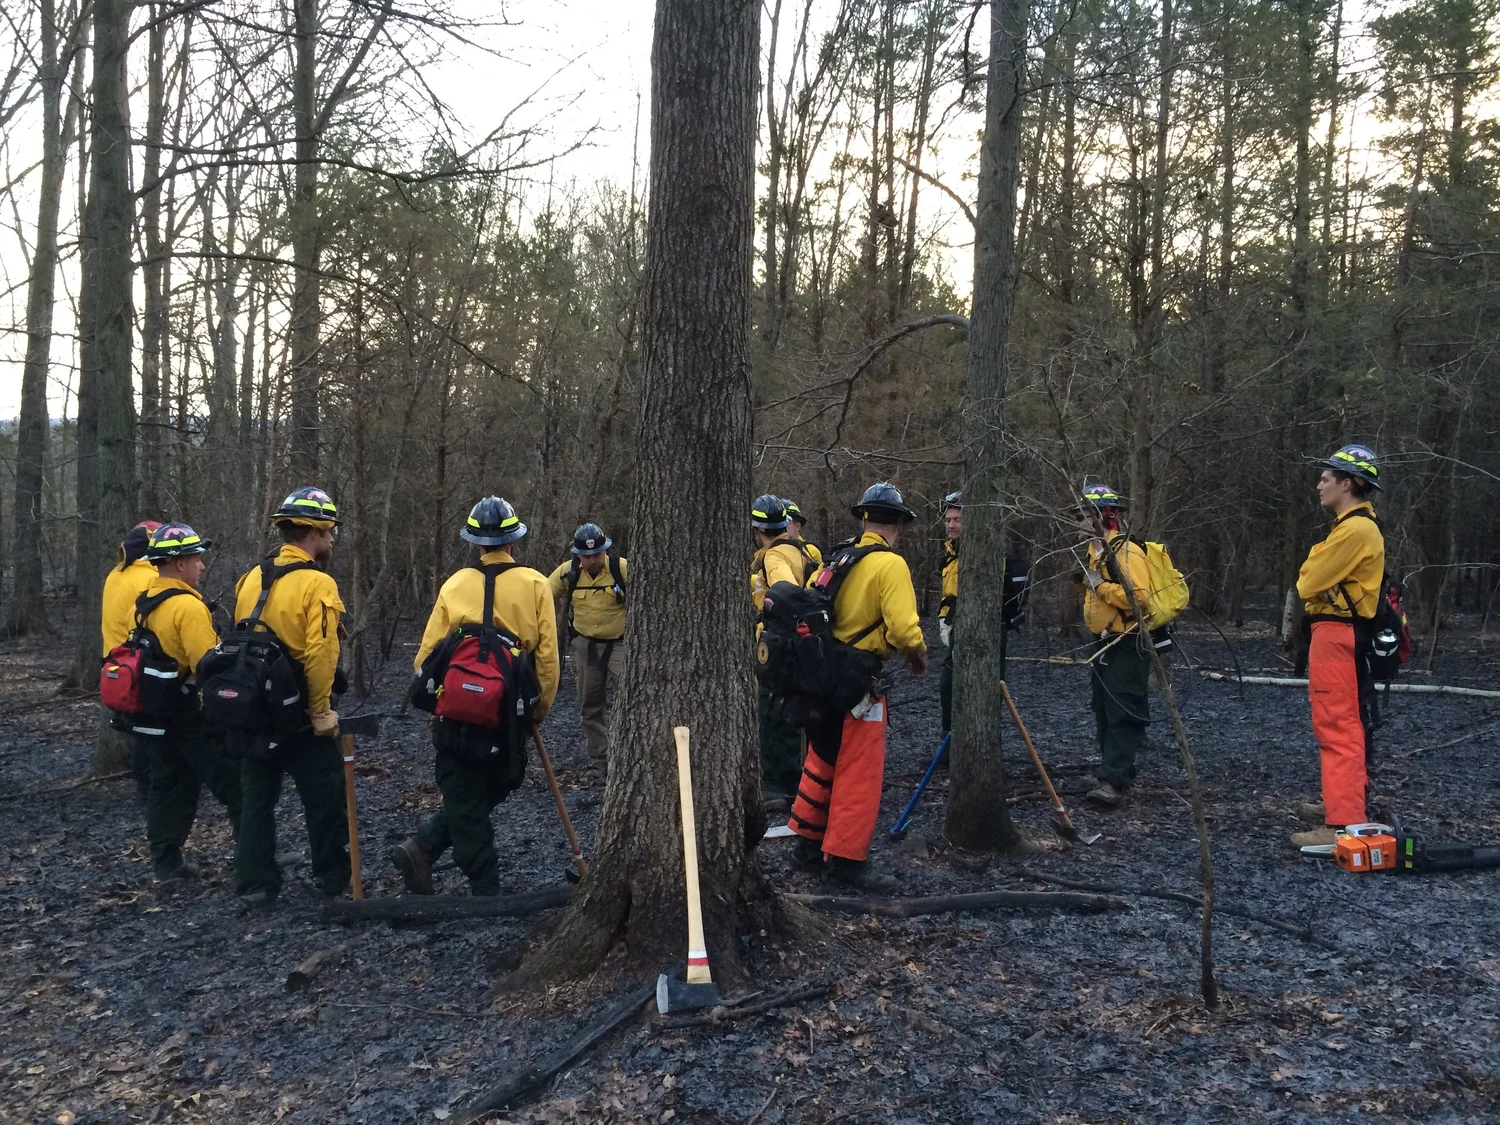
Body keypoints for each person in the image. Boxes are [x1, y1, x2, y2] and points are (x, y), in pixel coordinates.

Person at [390, 497, 560, 896]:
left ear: (476, 543)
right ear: (513, 541)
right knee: (501, 778)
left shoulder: (454, 584)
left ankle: (423, 848)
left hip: (456, 711)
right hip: (507, 709)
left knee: (464, 787)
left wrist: (440, 701)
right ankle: (485, 886)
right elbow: (548, 659)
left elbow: (427, 655)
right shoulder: (536, 583)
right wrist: (537, 711)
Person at [788, 482, 927, 891]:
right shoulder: (890, 565)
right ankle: (846, 863)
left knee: (822, 758)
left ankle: (807, 847)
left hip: (822, 674)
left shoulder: (836, 559)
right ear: (898, 524)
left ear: (863, 519)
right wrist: (917, 657)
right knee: (858, 771)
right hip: (860, 680)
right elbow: (904, 630)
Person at [232, 487, 350, 908]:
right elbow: (320, 654)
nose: (332, 538)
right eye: (329, 530)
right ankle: (333, 878)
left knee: (256, 799)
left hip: (252, 707)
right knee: (325, 794)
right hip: (296, 709)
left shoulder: (250, 578)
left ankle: (255, 883)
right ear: (313, 531)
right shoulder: (318, 583)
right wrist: (320, 710)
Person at [1290, 445, 1387, 849]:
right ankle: (1342, 802)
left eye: (1326, 479)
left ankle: (1343, 822)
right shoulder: (1350, 528)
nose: (1319, 485)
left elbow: (1307, 582)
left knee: (1337, 724)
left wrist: (1316, 562)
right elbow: (1314, 578)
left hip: (1338, 633)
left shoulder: (1354, 530)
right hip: (1334, 631)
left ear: (1348, 483)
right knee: (1340, 720)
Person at [134, 523, 242, 880]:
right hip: (194, 714)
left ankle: (166, 863)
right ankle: (253, 855)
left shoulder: (147, 603)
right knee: (236, 782)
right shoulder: (187, 607)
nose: (202, 565)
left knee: (168, 785)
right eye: (197, 558)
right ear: (179, 563)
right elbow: (207, 665)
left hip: (159, 710)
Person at [1074, 484, 1153, 809]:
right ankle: (1116, 769)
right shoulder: (1094, 551)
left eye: (1083, 515)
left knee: (1122, 708)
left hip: (1128, 642)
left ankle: (1114, 780)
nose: (1078, 522)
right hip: (1105, 642)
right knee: (1103, 707)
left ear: (1102, 516)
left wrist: (1101, 587)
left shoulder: (1127, 551)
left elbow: (1141, 598)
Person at [547, 523, 628, 764]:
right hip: (585, 646)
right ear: (578, 554)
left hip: (620, 644)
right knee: (590, 704)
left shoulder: (621, 569)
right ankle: (600, 758)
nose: (592, 560)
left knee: (631, 698)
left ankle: (629, 754)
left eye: (597, 555)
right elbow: (541, 596)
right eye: (586, 556)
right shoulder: (567, 572)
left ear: (605, 551)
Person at [750, 495, 813, 799]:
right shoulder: (800, 550)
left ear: (758, 529)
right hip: (799, 640)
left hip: (780, 643)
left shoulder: (773, 557)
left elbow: (785, 594)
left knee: (773, 711)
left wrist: (775, 625)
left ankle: (781, 786)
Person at [101, 519, 164, 797]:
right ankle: (153, 792)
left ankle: (147, 788)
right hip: (140, 664)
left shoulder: (114, 575)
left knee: (139, 732)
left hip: (115, 665)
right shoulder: (150, 578)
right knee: (151, 733)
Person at [938, 491, 962, 735]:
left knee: (951, 685)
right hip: (952, 623)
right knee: (947, 687)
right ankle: (949, 742)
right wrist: (943, 620)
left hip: (967, 627)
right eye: (948, 520)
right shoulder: (950, 552)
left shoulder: (977, 553)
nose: (951, 525)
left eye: (957, 520)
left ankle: (953, 743)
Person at [782, 499, 822, 570]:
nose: (781, 526)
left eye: (786, 521)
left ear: (797, 526)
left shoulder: (810, 551)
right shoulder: (770, 548)